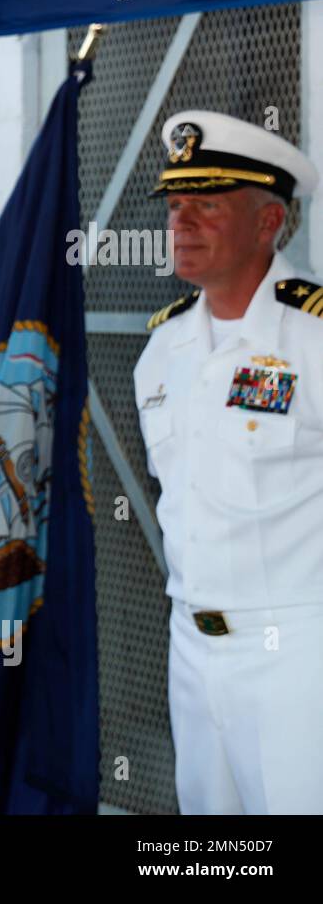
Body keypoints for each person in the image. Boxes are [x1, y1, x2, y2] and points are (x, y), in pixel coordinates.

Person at [135, 110, 323, 814]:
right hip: (191, 643)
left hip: (298, 650)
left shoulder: (312, 338)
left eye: (207, 206)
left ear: (269, 222)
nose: (181, 223)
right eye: (177, 207)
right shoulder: (166, 347)